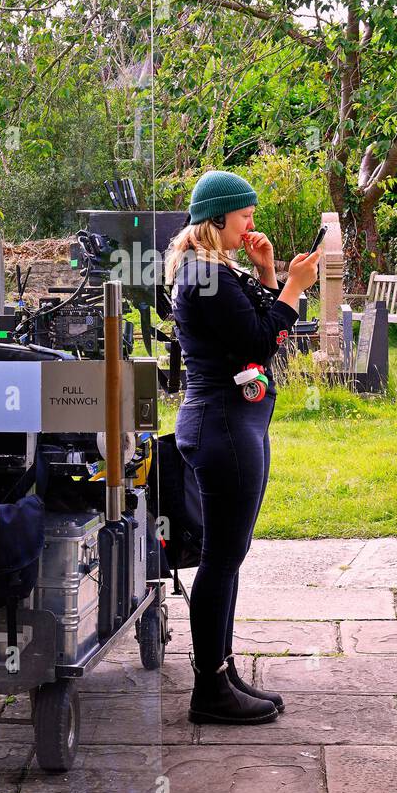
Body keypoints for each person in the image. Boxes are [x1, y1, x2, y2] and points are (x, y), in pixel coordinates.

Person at [163, 170, 321, 724]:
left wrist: (269, 273)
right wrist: (295, 287)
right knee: (221, 560)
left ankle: (222, 672)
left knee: (228, 557)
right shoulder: (205, 275)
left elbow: (261, 327)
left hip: (235, 424)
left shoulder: (215, 270)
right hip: (224, 427)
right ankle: (209, 690)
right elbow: (259, 341)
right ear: (218, 217)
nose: (251, 223)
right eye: (245, 214)